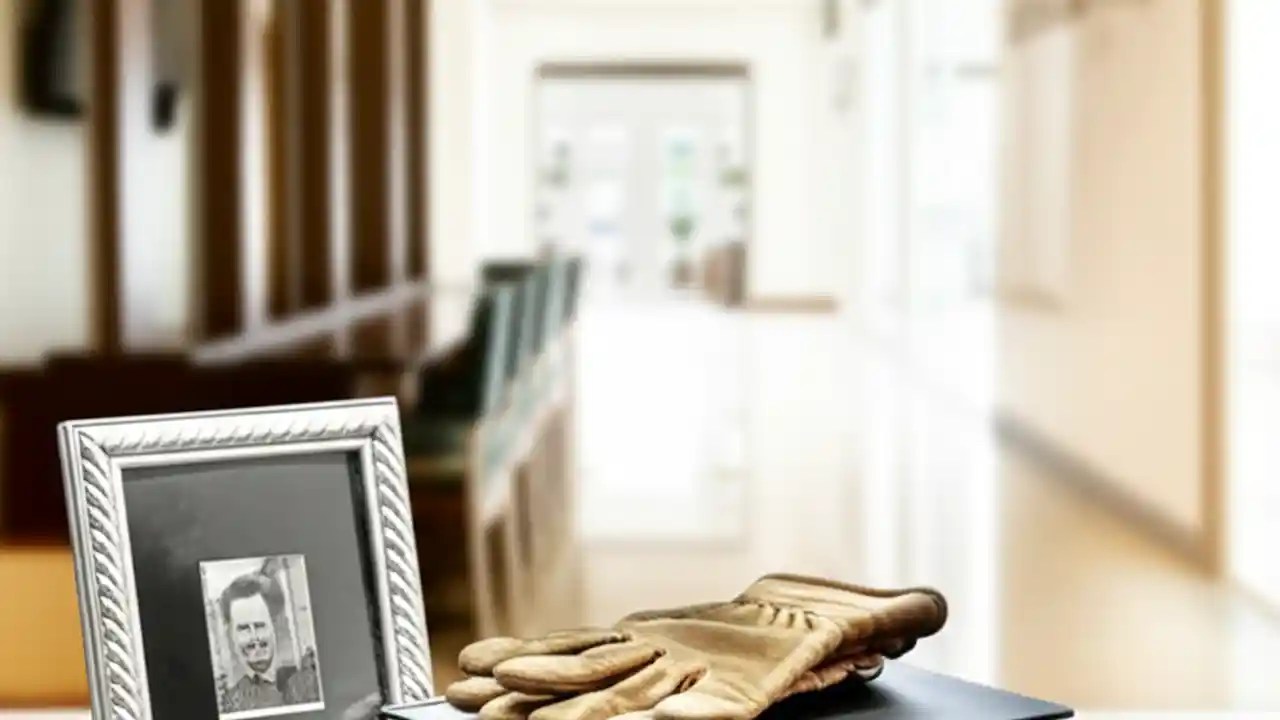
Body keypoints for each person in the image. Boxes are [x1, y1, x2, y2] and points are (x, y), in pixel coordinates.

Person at [218, 573, 320, 713]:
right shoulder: (231, 703)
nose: (254, 638)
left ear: (274, 626)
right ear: (232, 635)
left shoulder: (311, 681)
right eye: (243, 629)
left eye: (259, 626)